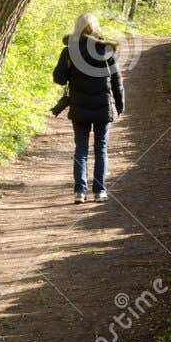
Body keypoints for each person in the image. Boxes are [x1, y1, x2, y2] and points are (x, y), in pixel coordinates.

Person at [52, 13, 124, 203]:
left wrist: (69, 70)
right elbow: (117, 82)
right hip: (103, 107)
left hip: (79, 107)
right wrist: (120, 105)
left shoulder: (69, 51)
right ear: (96, 29)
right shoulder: (106, 50)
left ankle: (80, 192)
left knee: (81, 150)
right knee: (101, 149)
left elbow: (59, 79)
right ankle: (99, 191)